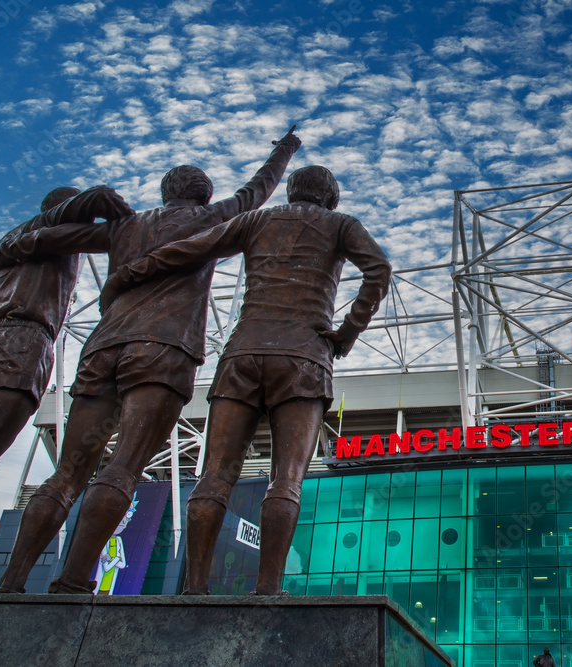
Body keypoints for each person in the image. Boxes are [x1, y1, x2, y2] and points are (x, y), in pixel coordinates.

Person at [0, 125, 301, 594]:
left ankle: (11, 585)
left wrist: (20, 240)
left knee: (68, 472)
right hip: (162, 350)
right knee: (124, 467)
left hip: (103, 347)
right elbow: (257, 190)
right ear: (204, 196)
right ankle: (73, 581)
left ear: (165, 190)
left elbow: (50, 237)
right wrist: (285, 149)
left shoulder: (125, 225)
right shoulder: (211, 218)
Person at [105, 165, 391, 595]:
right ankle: (268, 587)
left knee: (215, 474)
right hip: (304, 356)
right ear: (330, 198)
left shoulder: (257, 219)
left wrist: (132, 272)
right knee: (286, 478)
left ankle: (194, 587)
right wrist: (347, 332)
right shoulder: (341, 224)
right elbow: (379, 270)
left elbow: (191, 249)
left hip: (241, 353)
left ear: (292, 190)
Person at [0, 185, 132, 522]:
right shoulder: (49, 230)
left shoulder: (4, 244)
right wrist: (133, 224)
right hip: (17, 346)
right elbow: (97, 196)